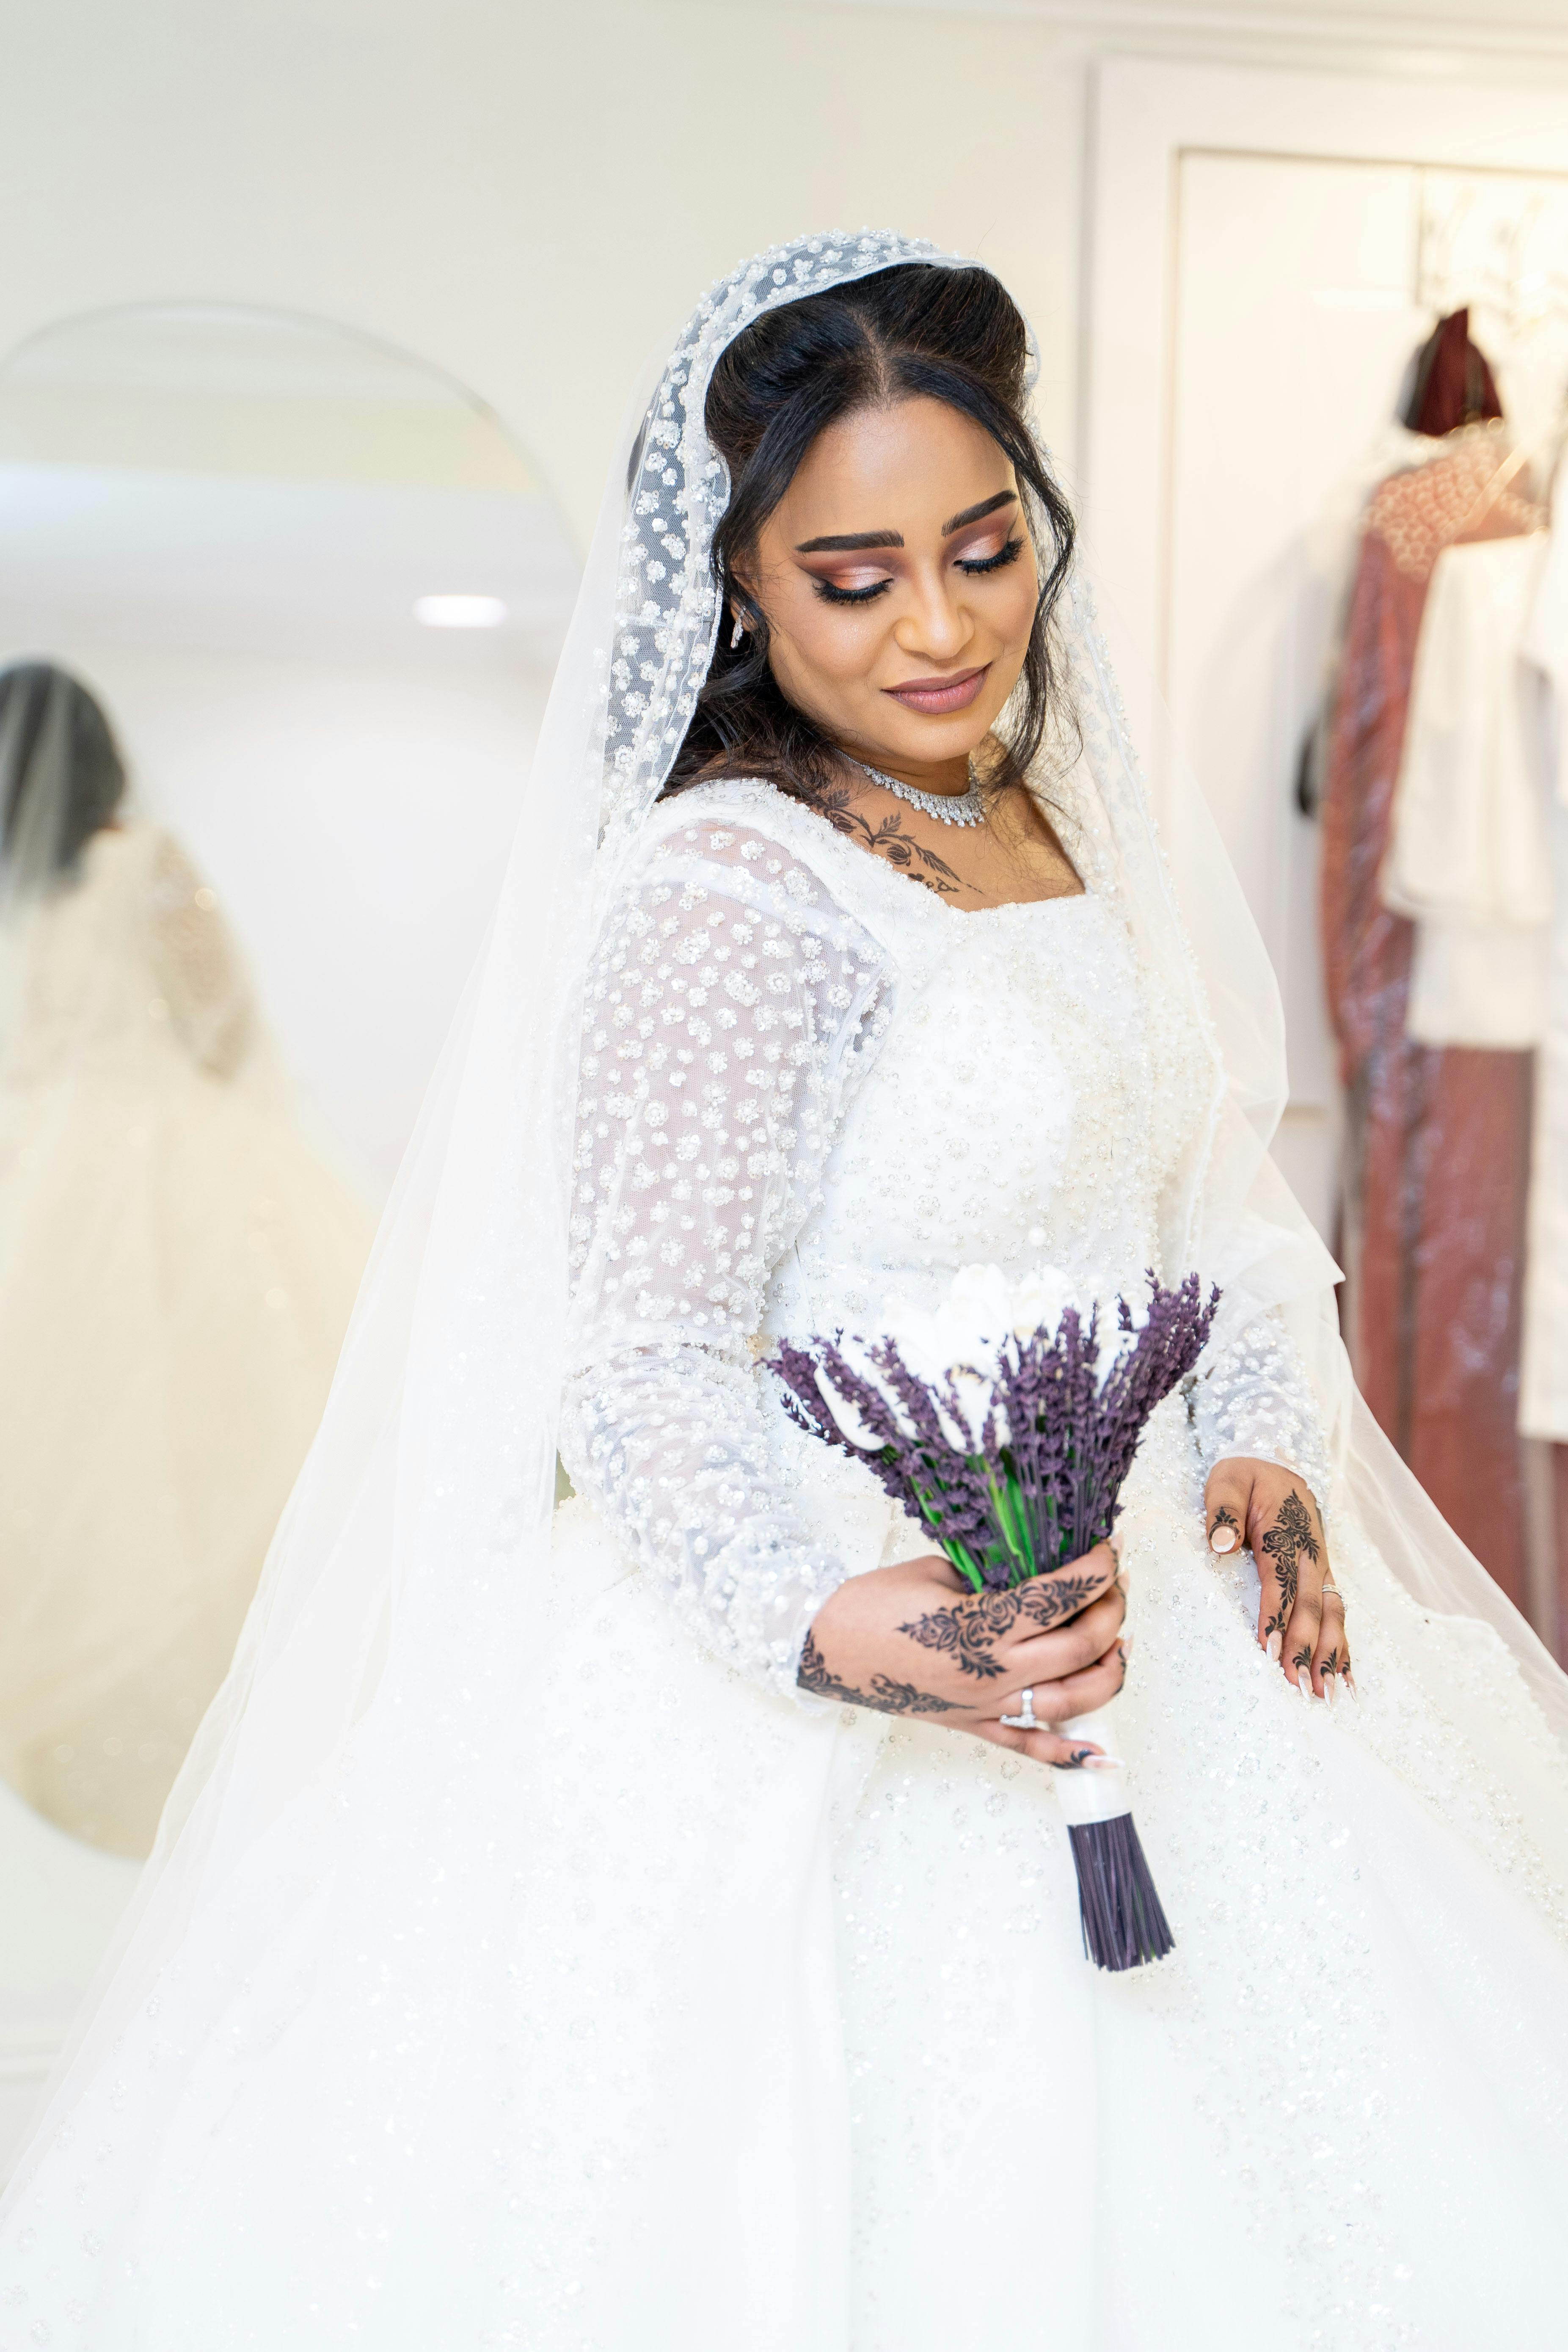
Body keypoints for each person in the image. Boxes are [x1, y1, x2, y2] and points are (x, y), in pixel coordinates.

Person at [1, 237, 1565, 2349]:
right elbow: (640, 1361)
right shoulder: (729, 890)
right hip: (833, 1660)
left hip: (1161, 1650)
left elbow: (1208, 1205)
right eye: (853, 575)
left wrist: (1266, 1437)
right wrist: (844, 1622)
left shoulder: (1061, 819)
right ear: (741, 579)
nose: (941, 624)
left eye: (987, 545)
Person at [0, 664, 373, 1857]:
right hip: (159, 1144)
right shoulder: (141, 860)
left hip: (30, 1154)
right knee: (205, 1426)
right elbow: (222, 1019)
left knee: (60, 1441)